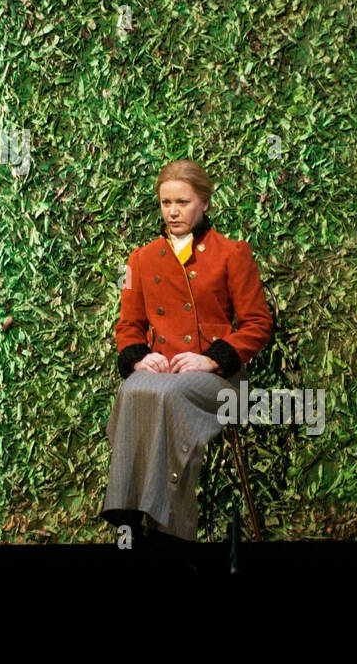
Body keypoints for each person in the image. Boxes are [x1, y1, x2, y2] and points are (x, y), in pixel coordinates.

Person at [101, 159, 272, 546]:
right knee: (134, 389)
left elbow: (258, 323)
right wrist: (139, 358)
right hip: (166, 375)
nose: (173, 211)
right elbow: (128, 325)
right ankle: (131, 513)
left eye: (183, 202)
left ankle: (168, 535)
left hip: (220, 380)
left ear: (205, 203)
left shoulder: (233, 253)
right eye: (165, 203)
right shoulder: (141, 259)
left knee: (169, 394)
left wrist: (212, 358)